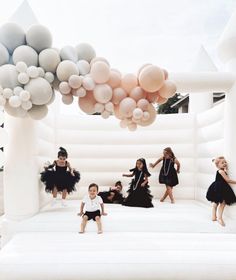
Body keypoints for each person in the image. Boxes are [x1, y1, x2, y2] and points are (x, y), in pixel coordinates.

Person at [206, 156, 236, 226]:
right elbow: (228, 180)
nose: (225, 163)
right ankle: (219, 218)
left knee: (216, 202)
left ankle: (214, 216)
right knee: (222, 203)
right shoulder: (221, 171)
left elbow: (224, 174)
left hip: (217, 187)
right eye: (222, 163)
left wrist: (225, 169)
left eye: (225, 162)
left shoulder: (221, 170)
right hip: (221, 187)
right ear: (217, 165)